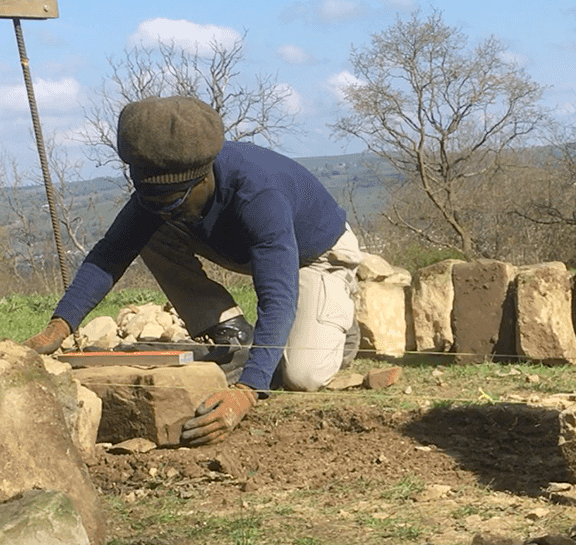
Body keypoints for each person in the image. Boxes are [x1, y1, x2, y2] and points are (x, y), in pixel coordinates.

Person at [24, 96, 362, 446]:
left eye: (174, 202)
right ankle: (229, 330)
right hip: (240, 244)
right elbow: (111, 252)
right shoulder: (162, 188)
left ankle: (342, 325)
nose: (165, 211)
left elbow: (278, 293)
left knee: (302, 376)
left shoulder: (258, 193)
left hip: (316, 256)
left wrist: (248, 389)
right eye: (154, 202)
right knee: (148, 234)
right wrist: (59, 326)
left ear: (203, 180)